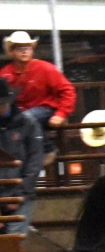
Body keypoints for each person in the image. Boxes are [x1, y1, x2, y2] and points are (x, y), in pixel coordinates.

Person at [1, 31, 77, 165]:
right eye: (19, 48)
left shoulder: (46, 68)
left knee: (25, 118)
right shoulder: (5, 73)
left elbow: (67, 90)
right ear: (12, 52)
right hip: (21, 114)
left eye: (27, 48)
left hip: (46, 109)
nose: (24, 51)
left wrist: (61, 113)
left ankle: (47, 148)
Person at [0, 79, 44, 237]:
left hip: (19, 192)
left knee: (14, 242)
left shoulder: (28, 124)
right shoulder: (27, 123)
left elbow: (34, 162)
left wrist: (20, 193)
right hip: (12, 188)